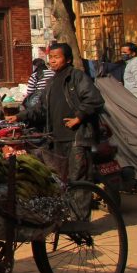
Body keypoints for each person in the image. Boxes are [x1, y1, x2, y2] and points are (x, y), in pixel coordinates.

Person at [22, 42, 103, 208]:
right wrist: (18, 116)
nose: (52, 61)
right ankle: (69, 216)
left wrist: (78, 117)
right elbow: (40, 109)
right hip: (56, 139)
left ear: (67, 59)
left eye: (56, 57)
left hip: (77, 138)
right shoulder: (51, 83)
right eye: (50, 57)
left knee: (78, 180)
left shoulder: (77, 77)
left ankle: (79, 221)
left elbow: (94, 100)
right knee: (62, 181)